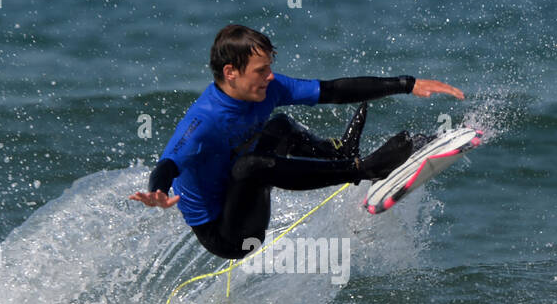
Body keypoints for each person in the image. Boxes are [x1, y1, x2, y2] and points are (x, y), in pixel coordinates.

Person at [128, 24, 465, 259]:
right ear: (231, 72)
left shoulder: (268, 90)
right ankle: (361, 168)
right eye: (261, 70)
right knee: (250, 167)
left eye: (269, 67)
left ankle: (340, 154)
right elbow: (168, 165)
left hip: (241, 191)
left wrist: (408, 83)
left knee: (278, 126)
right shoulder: (202, 123)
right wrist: (158, 192)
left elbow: (332, 90)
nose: (270, 76)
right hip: (230, 236)